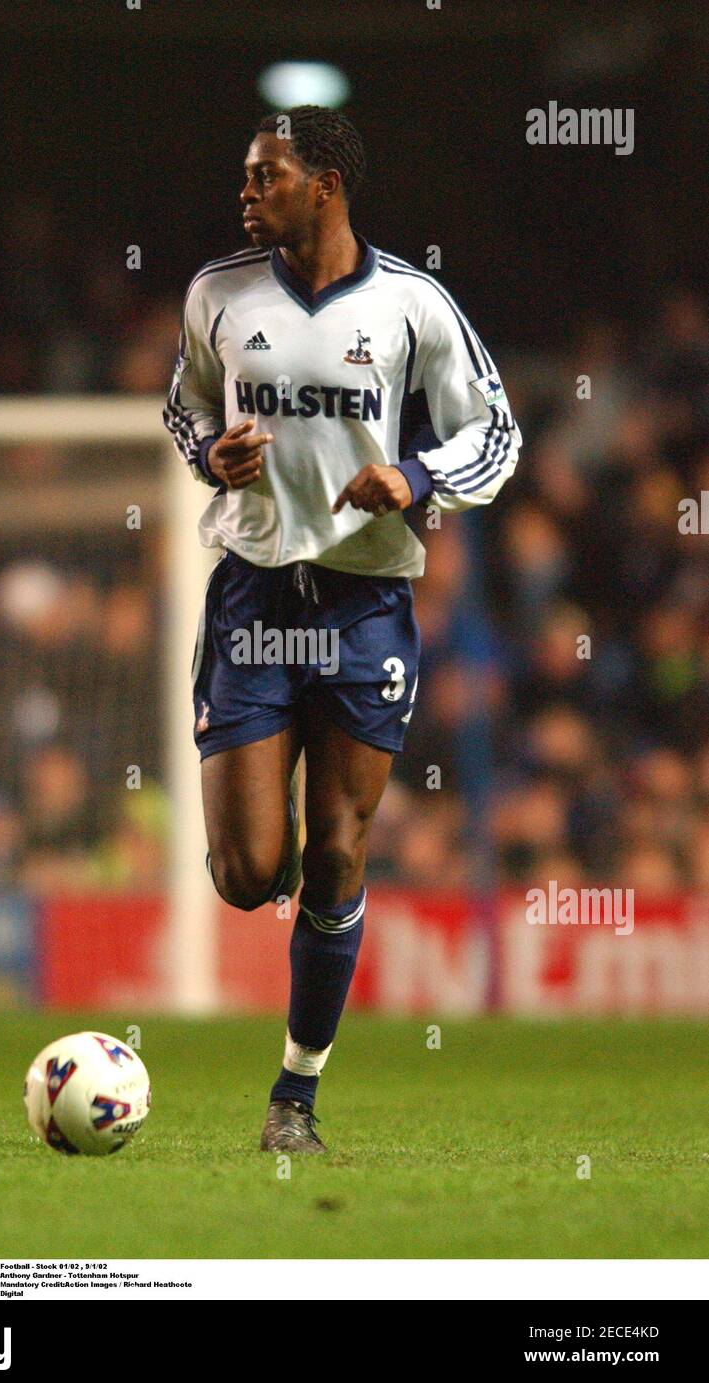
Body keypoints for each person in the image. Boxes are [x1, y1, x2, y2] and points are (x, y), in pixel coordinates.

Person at [164, 105, 521, 1153]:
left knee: (337, 855)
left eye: (265, 175)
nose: (246, 191)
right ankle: (265, 836)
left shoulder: (412, 303)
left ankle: (295, 1097)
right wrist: (209, 454)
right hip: (255, 597)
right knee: (245, 874)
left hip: (364, 603)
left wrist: (413, 477)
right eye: (245, 175)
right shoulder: (217, 293)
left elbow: (493, 428)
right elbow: (183, 407)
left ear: (325, 185)